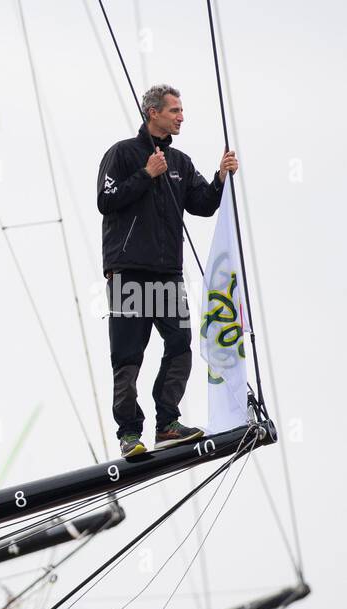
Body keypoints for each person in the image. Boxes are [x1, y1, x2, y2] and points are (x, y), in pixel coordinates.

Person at [97, 83, 239, 458]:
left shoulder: (181, 163)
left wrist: (221, 177)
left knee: (179, 344)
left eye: (181, 111)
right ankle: (129, 433)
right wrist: (145, 174)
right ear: (153, 113)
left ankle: (167, 424)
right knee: (128, 355)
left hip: (166, 274)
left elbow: (204, 205)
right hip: (127, 273)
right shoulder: (122, 154)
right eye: (174, 111)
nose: (181, 117)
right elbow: (106, 201)